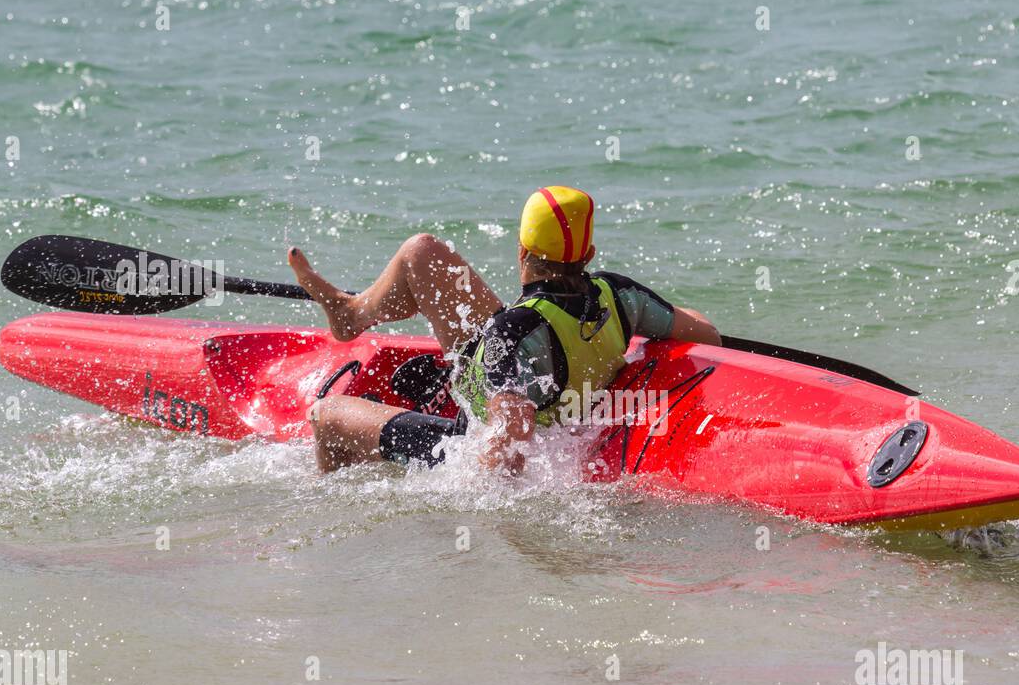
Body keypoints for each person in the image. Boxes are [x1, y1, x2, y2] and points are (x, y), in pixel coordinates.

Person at [288, 185, 720, 474]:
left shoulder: (510, 332)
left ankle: (333, 507)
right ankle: (351, 312)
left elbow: (513, 430)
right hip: (539, 360)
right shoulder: (618, 294)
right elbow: (707, 332)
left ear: (522, 251)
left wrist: (463, 486)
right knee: (424, 253)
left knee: (324, 415)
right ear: (587, 253)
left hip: (464, 432)